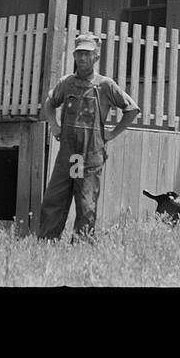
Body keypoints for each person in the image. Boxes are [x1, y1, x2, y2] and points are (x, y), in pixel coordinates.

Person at [38, 33, 140, 241]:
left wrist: (112, 133)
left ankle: (82, 246)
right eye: (79, 54)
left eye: (87, 54)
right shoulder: (66, 83)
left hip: (91, 155)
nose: (82, 58)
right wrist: (54, 125)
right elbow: (49, 103)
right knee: (54, 199)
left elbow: (132, 109)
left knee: (86, 203)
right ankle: (47, 243)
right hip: (68, 155)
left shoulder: (105, 85)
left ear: (96, 57)